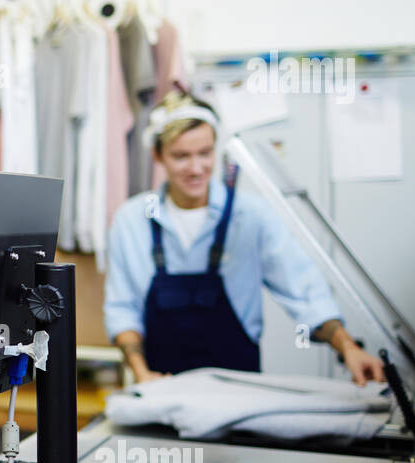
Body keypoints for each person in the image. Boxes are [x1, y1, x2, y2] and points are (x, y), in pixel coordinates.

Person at [103, 89, 386, 386]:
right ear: (158, 155)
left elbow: (304, 291)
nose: (196, 168)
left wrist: (348, 347)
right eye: (181, 156)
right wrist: (140, 371)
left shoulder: (252, 215)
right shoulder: (131, 220)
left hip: (240, 387)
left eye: (205, 153)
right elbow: (123, 309)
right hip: (161, 383)